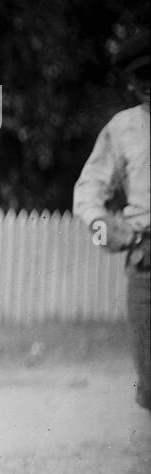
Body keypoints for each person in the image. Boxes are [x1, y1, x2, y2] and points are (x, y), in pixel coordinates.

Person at [74, 29, 150, 411]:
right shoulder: (123, 128)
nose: (148, 86)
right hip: (146, 262)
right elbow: (88, 191)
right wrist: (104, 225)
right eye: (141, 78)